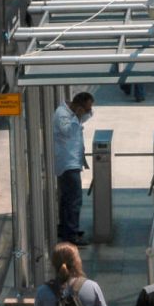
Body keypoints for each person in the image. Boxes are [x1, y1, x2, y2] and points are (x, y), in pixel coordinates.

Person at [53, 92, 95, 246]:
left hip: (73, 162)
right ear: (78, 107)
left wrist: (81, 114)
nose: (88, 112)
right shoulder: (62, 114)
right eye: (86, 109)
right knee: (74, 199)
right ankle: (71, 233)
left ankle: (65, 228)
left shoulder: (72, 114)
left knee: (67, 198)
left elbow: (88, 116)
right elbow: (68, 132)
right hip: (67, 163)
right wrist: (77, 116)